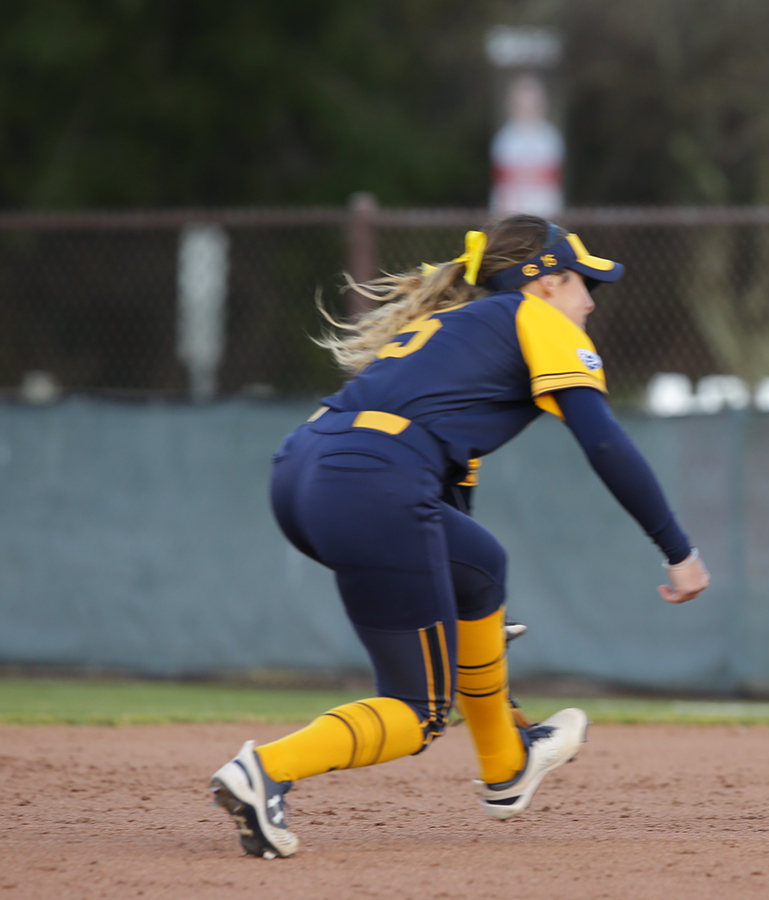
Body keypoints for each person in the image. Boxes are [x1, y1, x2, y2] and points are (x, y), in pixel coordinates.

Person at [209, 215, 710, 858]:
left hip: (305, 467)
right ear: (547, 282)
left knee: (480, 564)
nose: (589, 299)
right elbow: (605, 442)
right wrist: (679, 551)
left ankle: (505, 764)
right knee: (416, 714)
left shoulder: (446, 329)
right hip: (371, 480)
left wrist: (470, 631)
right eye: (585, 283)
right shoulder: (537, 320)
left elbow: (451, 511)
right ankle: (265, 770)